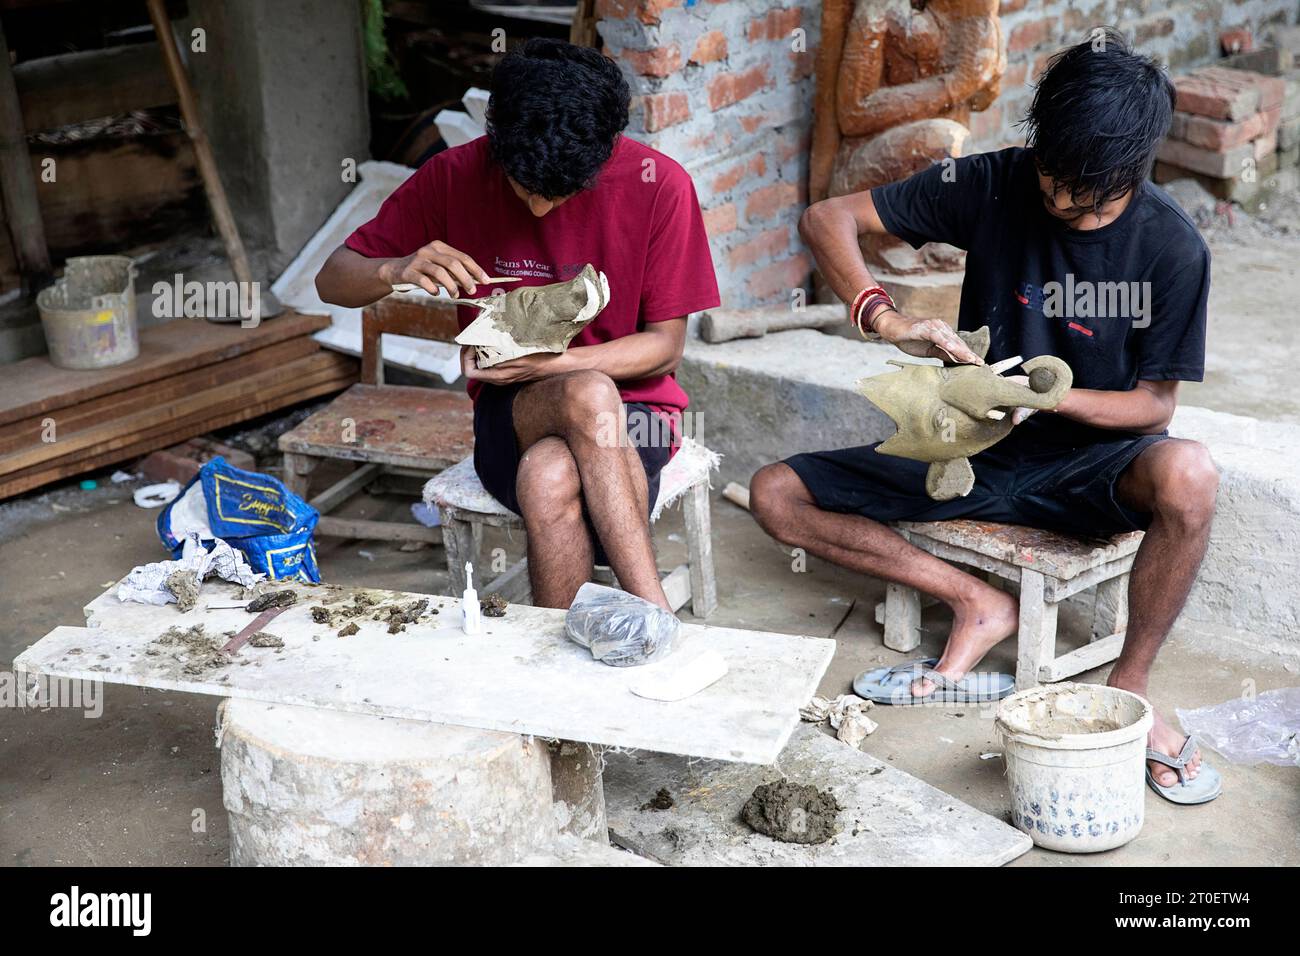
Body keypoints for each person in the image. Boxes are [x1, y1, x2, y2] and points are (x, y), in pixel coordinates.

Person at [750, 30, 1220, 802]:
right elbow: (827, 217)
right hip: (970, 449)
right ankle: (974, 600)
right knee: (775, 494)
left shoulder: (1172, 249)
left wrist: (1042, 397)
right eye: (1050, 176)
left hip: (1093, 468)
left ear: (1129, 173)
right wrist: (883, 315)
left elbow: (1153, 406)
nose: (1058, 200)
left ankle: (1132, 688)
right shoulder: (997, 181)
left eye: (1082, 194)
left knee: (1190, 473)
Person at [316, 38, 719, 611]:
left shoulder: (659, 185)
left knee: (551, 471)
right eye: (525, 190)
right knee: (583, 396)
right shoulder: (452, 175)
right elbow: (333, 280)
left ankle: (563, 656)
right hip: (511, 411)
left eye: (558, 196)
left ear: (602, 156)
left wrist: (559, 363)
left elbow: (664, 349)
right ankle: (651, 615)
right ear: (497, 144)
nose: (537, 211)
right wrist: (394, 267)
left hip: (637, 418)